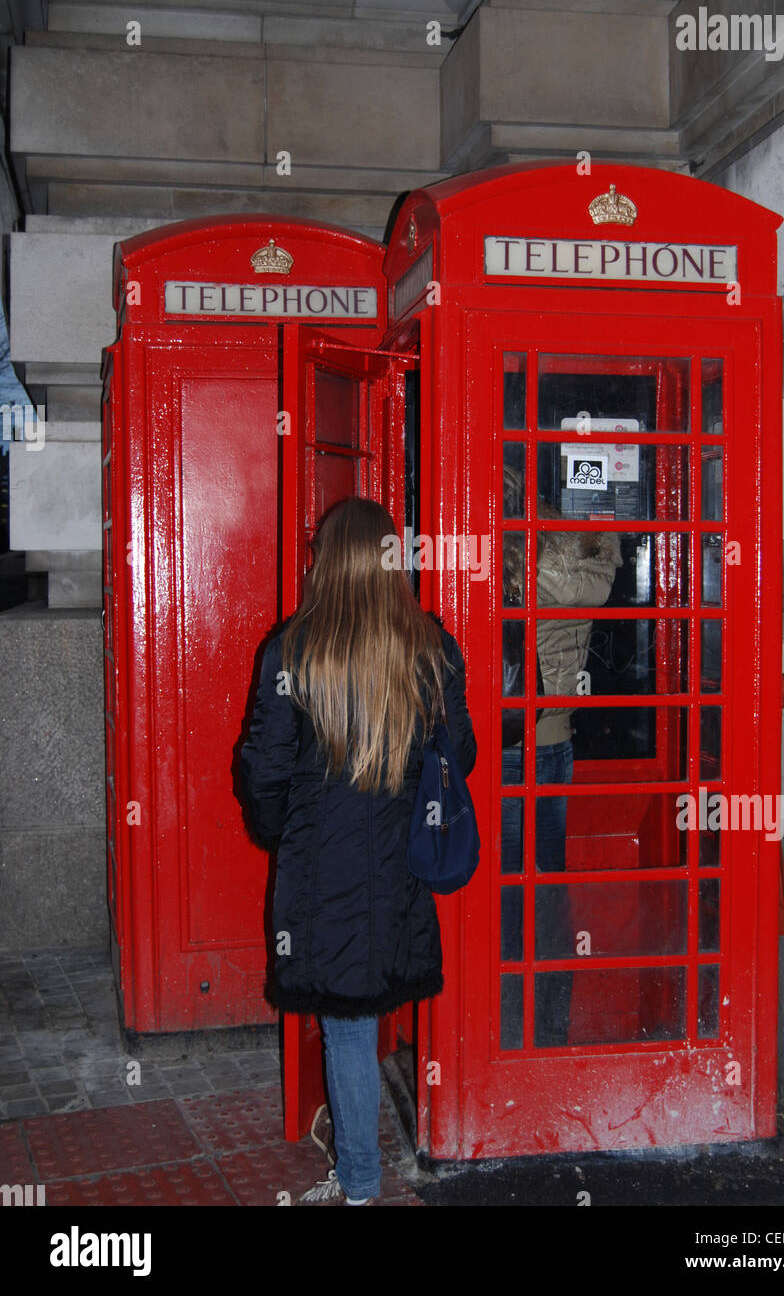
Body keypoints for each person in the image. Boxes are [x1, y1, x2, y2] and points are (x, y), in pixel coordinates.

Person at [239, 497, 476, 1204]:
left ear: (328, 561)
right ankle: (360, 1171)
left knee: (345, 1027)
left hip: (320, 870)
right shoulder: (429, 645)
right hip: (397, 863)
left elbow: (263, 771)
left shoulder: (291, 650)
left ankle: (362, 1183)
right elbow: (460, 752)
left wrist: (287, 831)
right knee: (360, 1018)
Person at [502, 477, 622, 1046]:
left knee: (505, 896)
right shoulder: (581, 544)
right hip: (555, 739)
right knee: (546, 891)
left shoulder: (511, 554)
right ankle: (549, 1029)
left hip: (506, 746)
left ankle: (508, 1031)